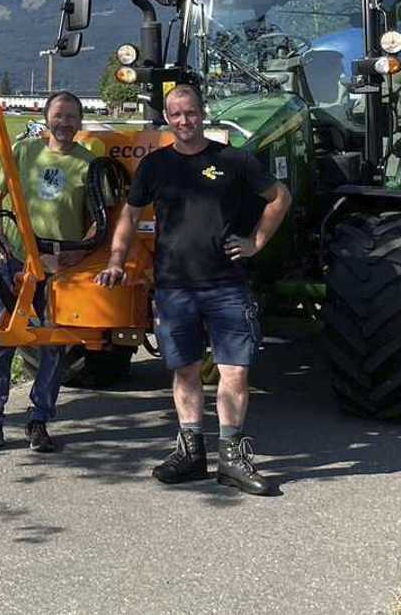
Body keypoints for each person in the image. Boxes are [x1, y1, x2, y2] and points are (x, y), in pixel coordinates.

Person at [97, 84, 290, 495]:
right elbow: (130, 218)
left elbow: (279, 197)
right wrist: (116, 260)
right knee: (184, 371)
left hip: (226, 285)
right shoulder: (154, 166)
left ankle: (232, 458)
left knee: (234, 371)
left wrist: (256, 242)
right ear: (168, 118)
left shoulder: (233, 160)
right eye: (176, 115)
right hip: (174, 286)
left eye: (190, 113)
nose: (184, 121)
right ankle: (191, 452)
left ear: (203, 114)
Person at [0, 91, 96, 455]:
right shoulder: (24, 152)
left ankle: (39, 420)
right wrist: (2, 237)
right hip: (16, 264)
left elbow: (101, 221)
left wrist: (72, 257)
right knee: (0, 343)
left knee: (53, 346)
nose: (65, 123)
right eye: (59, 115)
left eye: (72, 116)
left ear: (80, 121)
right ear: (46, 116)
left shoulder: (89, 163)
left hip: (57, 270)